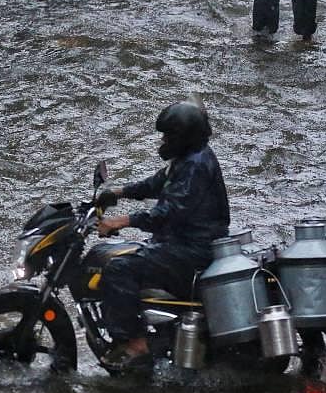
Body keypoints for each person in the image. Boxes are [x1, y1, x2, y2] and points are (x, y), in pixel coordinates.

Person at [95, 101, 230, 371]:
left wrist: (121, 221)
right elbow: (156, 184)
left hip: (192, 248)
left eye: (169, 135)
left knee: (119, 268)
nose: (164, 140)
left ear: (184, 137)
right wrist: (118, 192)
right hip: (184, 242)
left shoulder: (195, 166)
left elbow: (168, 213)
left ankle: (135, 343)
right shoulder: (190, 158)